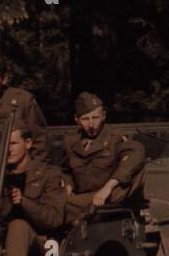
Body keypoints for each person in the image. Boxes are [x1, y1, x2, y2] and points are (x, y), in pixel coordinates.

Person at [62, 91, 146, 220]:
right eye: (85, 119)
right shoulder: (71, 142)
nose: (91, 125)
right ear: (76, 120)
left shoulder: (114, 138)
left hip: (108, 199)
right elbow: (65, 170)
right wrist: (68, 185)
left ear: (103, 116)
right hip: (80, 199)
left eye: (95, 118)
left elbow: (137, 152)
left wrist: (108, 187)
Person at [1, 128, 67, 256]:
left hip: (48, 247)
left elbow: (54, 219)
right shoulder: (1, 176)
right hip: (9, 246)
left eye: (13, 143)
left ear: (28, 143)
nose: (8, 149)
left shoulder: (48, 174)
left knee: (18, 225)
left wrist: (23, 202)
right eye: (5, 143)